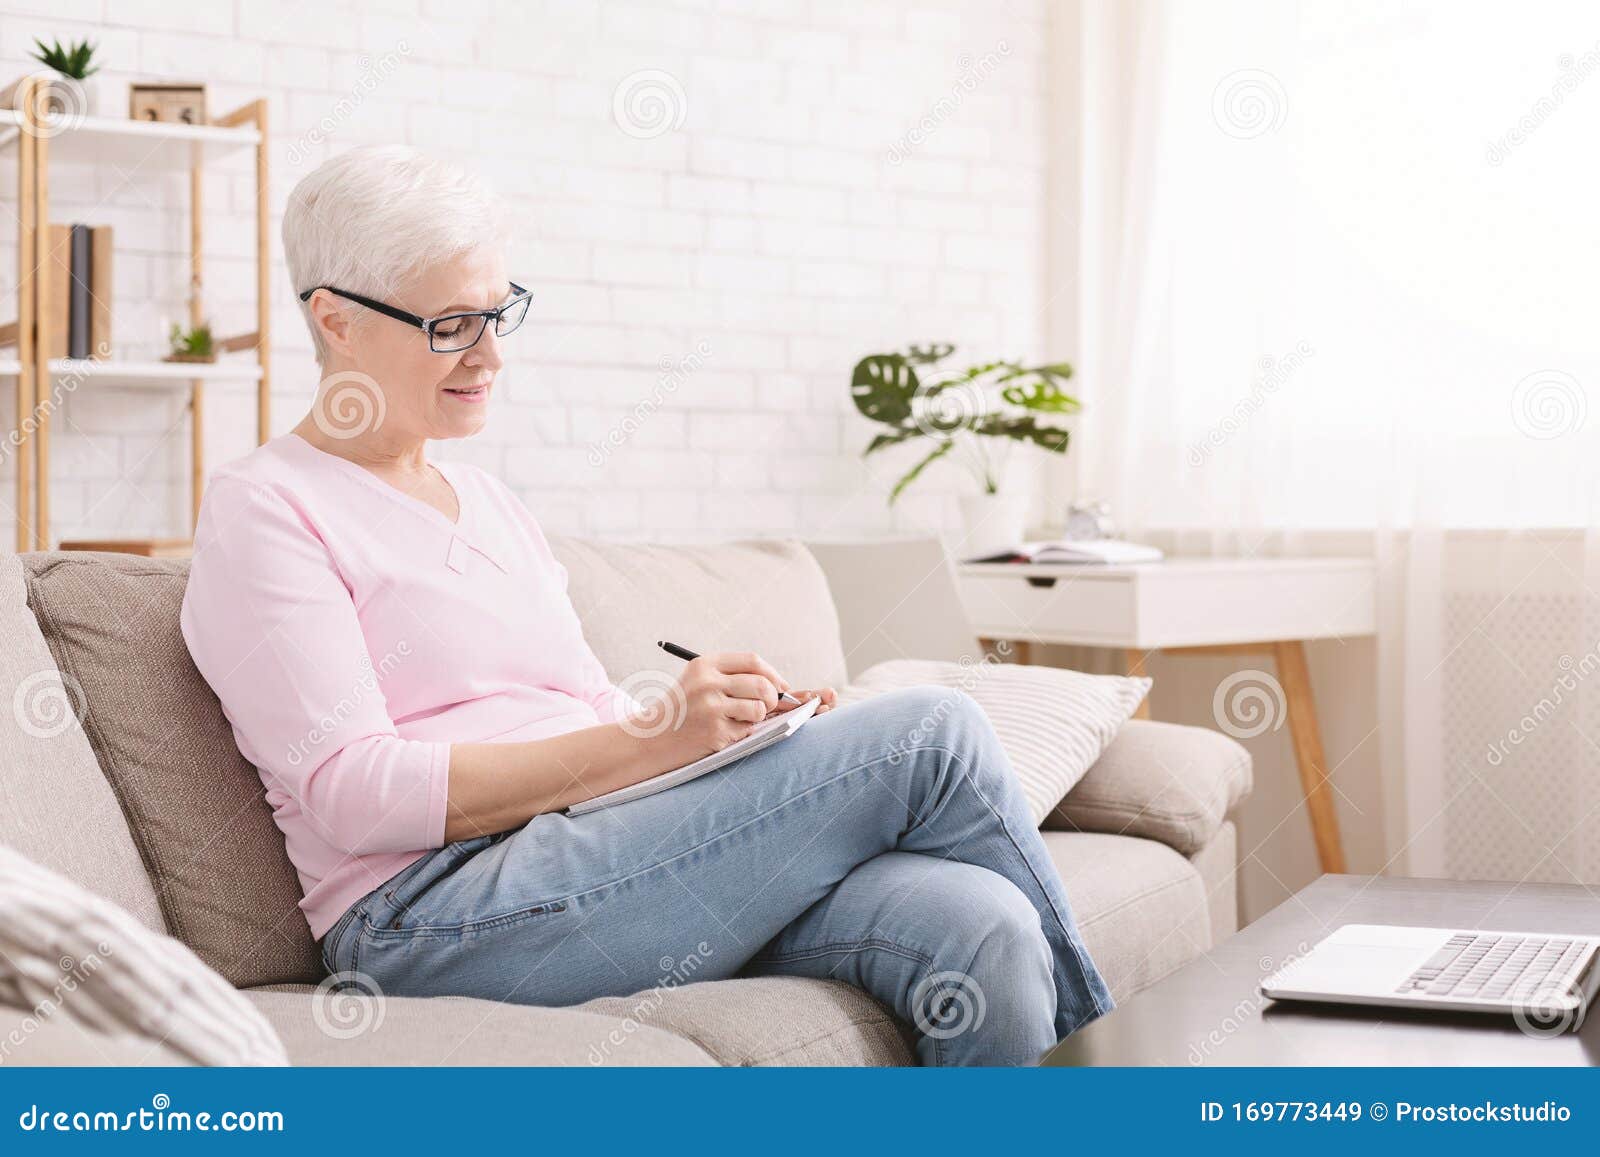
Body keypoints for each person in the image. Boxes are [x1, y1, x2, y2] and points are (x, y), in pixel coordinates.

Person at [179, 145, 1112, 1065]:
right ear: (336, 320)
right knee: (933, 733)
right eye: (453, 324)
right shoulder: (266, 509)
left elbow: (588, 707)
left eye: (500, 313)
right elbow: (352, 793)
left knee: (982, 926)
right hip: (432, 913)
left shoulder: (492, 505)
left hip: (602, 857)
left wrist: (729, 735)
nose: (492, 354)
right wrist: (653, 740)